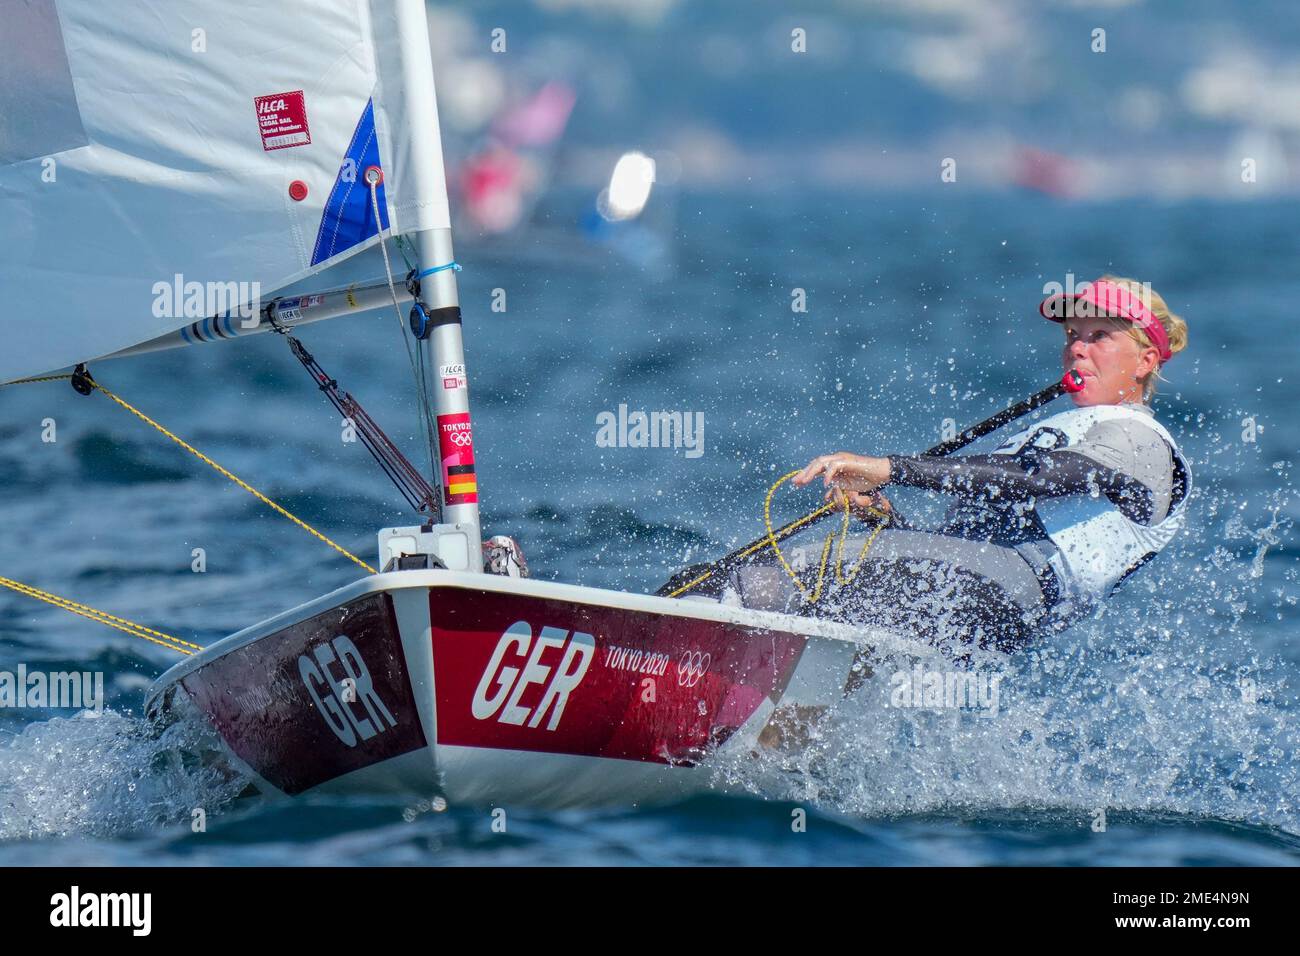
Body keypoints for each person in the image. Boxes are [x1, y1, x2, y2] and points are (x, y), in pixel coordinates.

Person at [734, 275, 1192, 654]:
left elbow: (1036, 479)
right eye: (1073, 335)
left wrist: (891, 468)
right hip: (983, 587)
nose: (1077, 348)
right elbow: (963, 541)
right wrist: (887, 517)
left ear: (1145, 360)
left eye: (1099, 337)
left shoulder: (1137, 438)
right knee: (825, 635)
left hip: (1009, 585)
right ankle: (768, 747)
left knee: (766, 582)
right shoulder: (1069, 427)